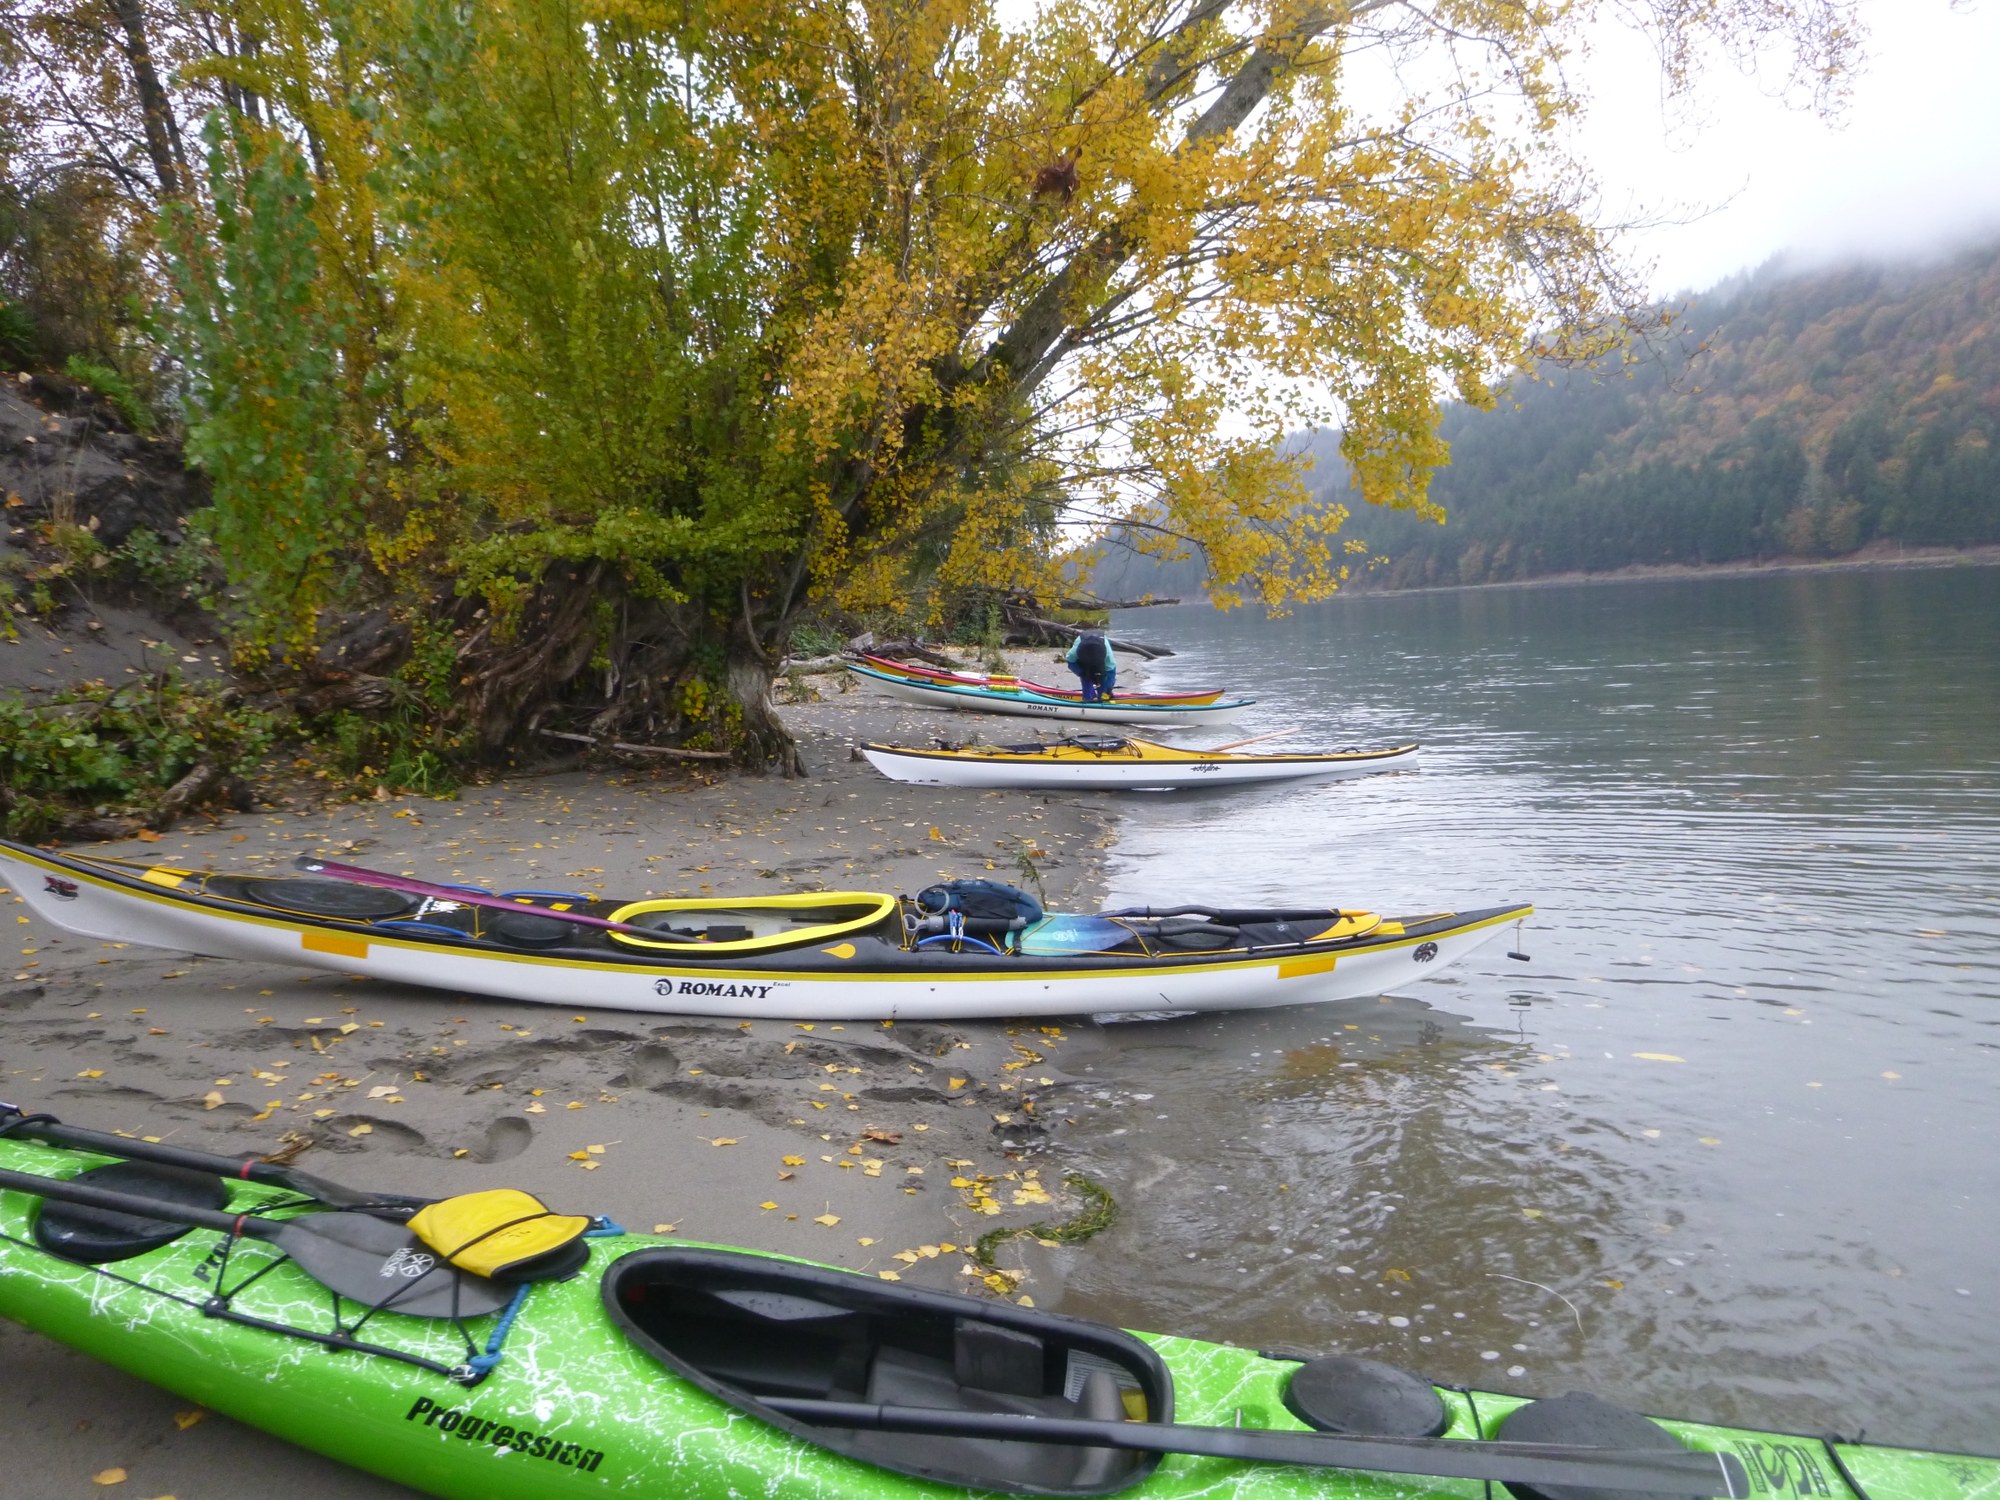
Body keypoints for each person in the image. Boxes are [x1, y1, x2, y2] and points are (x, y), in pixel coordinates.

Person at [1063, 630, 1116, 702]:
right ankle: (1088, 698)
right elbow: (1070, 662)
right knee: (1086, 676)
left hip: (1100, 658)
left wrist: (1108, 690)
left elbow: (1111, 672)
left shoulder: (1108, 656)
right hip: (1083, 660)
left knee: (1104, 684)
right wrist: (1082, 673)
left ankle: (1102, 698)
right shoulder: (1074, 652)